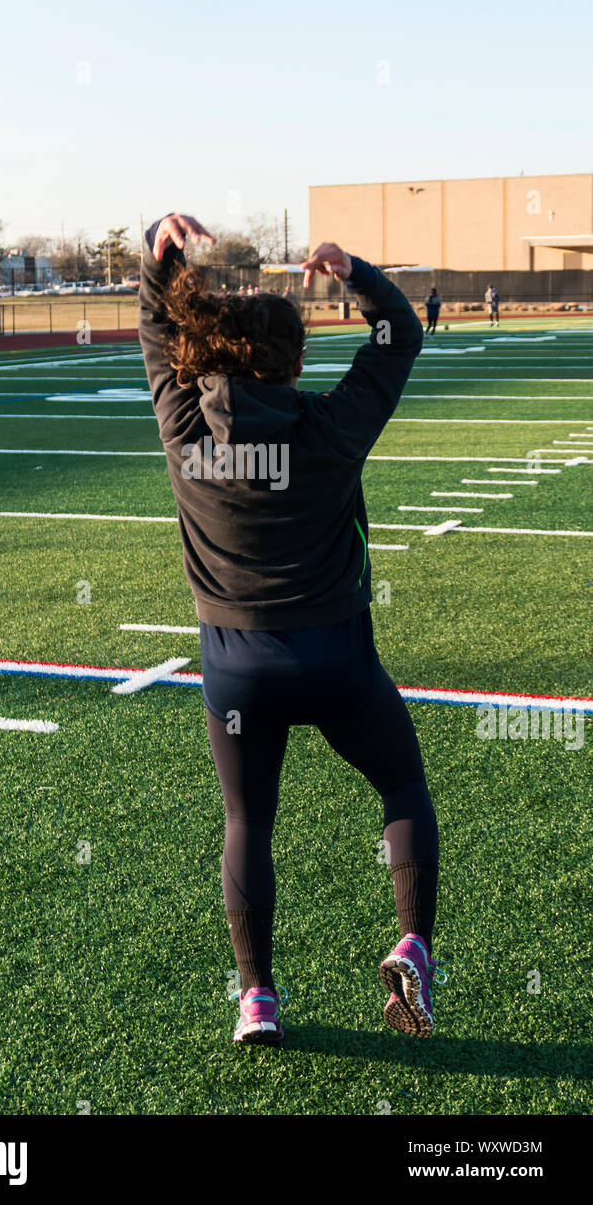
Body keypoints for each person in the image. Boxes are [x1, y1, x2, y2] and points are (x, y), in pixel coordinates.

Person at [139, 211, 440, 1045]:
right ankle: (411, 940)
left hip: (238, 671)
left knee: (247, 823)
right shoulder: (329, 429)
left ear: (205, 355)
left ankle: (257, 1001)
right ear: (294, 359)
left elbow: (155, 330)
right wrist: (356, 276)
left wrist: (159, 255)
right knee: (402, 790)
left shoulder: (183, 427)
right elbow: (400, 334)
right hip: (338, 659)